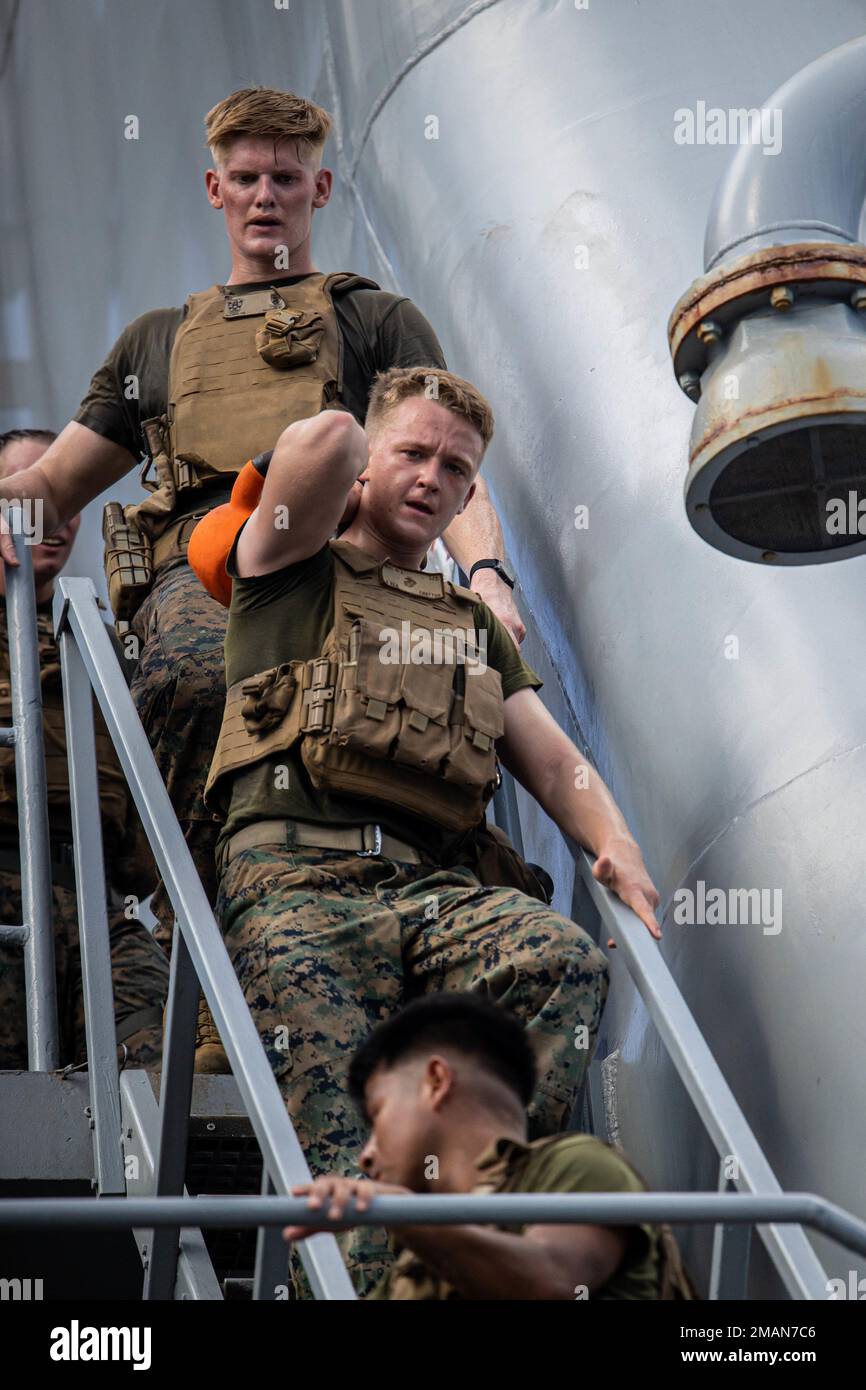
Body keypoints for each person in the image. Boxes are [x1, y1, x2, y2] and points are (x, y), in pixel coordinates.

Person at [0, 87, 525, 1072]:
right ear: (214, 188)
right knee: (205, 684)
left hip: (341, 582)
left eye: (286, 178)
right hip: (205, 569)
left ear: (317, 185)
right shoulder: (155, 344)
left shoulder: (371, 319)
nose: (264, 196)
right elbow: (55, 482)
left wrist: (487, 575)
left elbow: (450, 463)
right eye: (244, 177)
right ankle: (224, 992)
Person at [194, 365, 661, 1293]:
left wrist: (619, 844)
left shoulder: (469, 627)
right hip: (296, 885)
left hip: (426, 890)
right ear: (366, 460)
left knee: (560, 958)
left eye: (456, 470)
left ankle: (482, 1209)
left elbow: (556, 763)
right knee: (340, 1108)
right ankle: (377, 1285)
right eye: (411, 452)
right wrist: (361, 434)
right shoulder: (288, 570)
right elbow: (321, 443)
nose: (431, 479)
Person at [284, 993, 693, 1300]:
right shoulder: (412, 1274)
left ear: (436, 1082)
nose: (366, 1155)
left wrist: (402, 1214)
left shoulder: (576, 1164)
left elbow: (554, 1282)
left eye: (378, 1115)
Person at [0, 429, 168, 1070]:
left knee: (155, 1094)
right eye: (30, 497)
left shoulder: (100, 643)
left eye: (66, 501)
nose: (53, 520)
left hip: (100, 904)